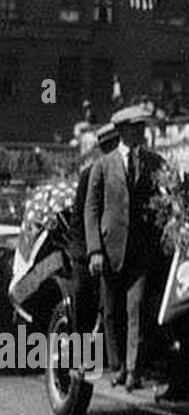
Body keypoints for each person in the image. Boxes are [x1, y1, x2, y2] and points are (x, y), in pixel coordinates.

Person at [84, 104, 168, 390]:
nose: (141, 132)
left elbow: (174, 194)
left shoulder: (154, 162)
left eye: (142, 127)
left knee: (137, 308)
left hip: (141, 250)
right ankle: (117, 365)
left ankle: (134, 370)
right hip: (110, 250)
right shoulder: (103, 165)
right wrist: (95, 250)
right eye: (136, 127)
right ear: (121, 130)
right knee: (111, 311)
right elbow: (91, 209)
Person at [67, 123, 118, 340]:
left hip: (114, 250)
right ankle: (81, 354)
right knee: (83, 301)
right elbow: (82, 217)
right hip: (88, 252)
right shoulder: (90, 175)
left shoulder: (123, 173)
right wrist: (88, 254)